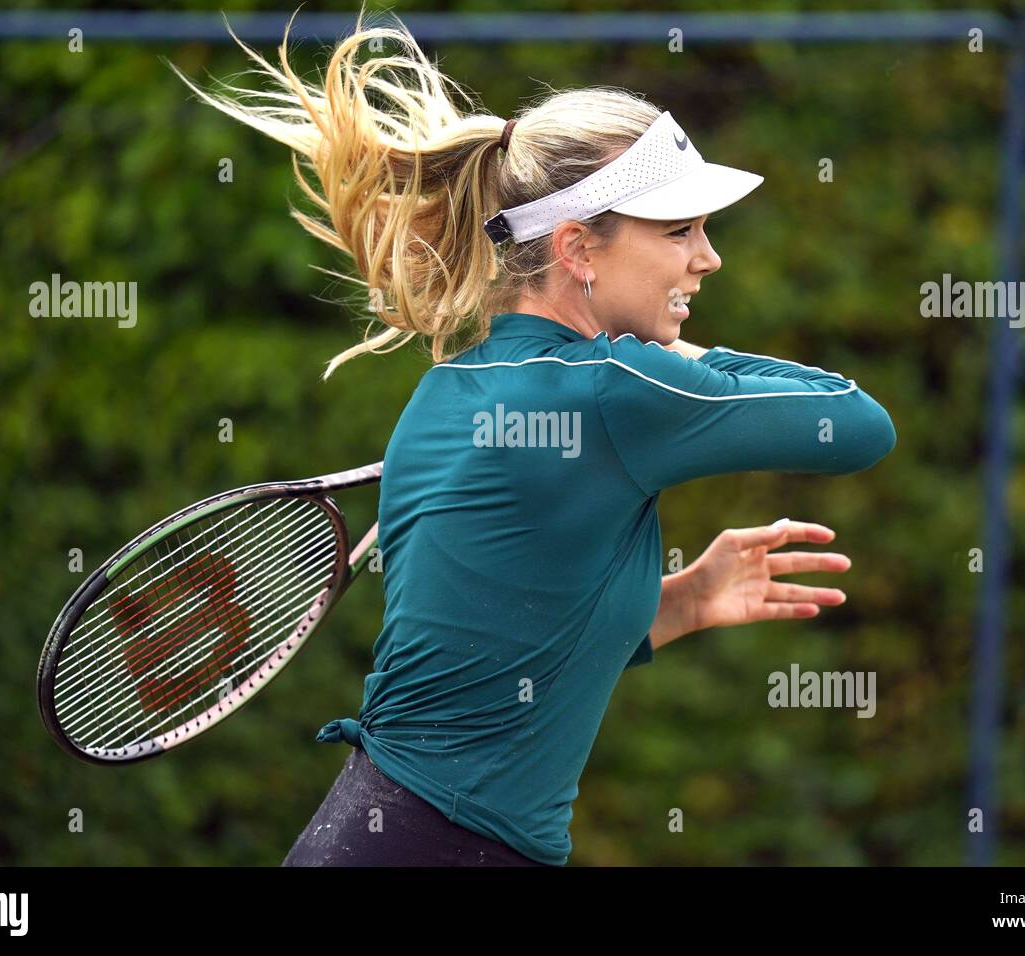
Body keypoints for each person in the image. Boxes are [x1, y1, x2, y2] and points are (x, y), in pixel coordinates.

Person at [172, 5, 896, 867]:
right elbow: (857, 423)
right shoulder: (620, 392)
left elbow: (504, 665)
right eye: (679, 232)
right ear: (578, 249)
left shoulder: (445, 394)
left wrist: (685, 603)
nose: (708, 259)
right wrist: (666, 348)